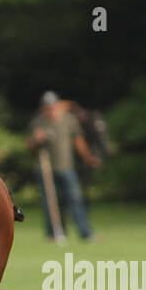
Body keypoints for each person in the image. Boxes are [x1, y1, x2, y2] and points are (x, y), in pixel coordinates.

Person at [27, 91, 100, 242]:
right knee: (51, 203)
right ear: (43, 108)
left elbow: (78, 141)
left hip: (66, 167)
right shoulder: (38, 122)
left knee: (75, 199)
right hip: (45, 169)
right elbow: (29, 146)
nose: (50, 110)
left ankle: (85, 233)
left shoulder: (68, 120)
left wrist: (88, 158)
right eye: (47, 107)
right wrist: (36, 139)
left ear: (57, 105)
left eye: (52, 106)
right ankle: (54, 233)